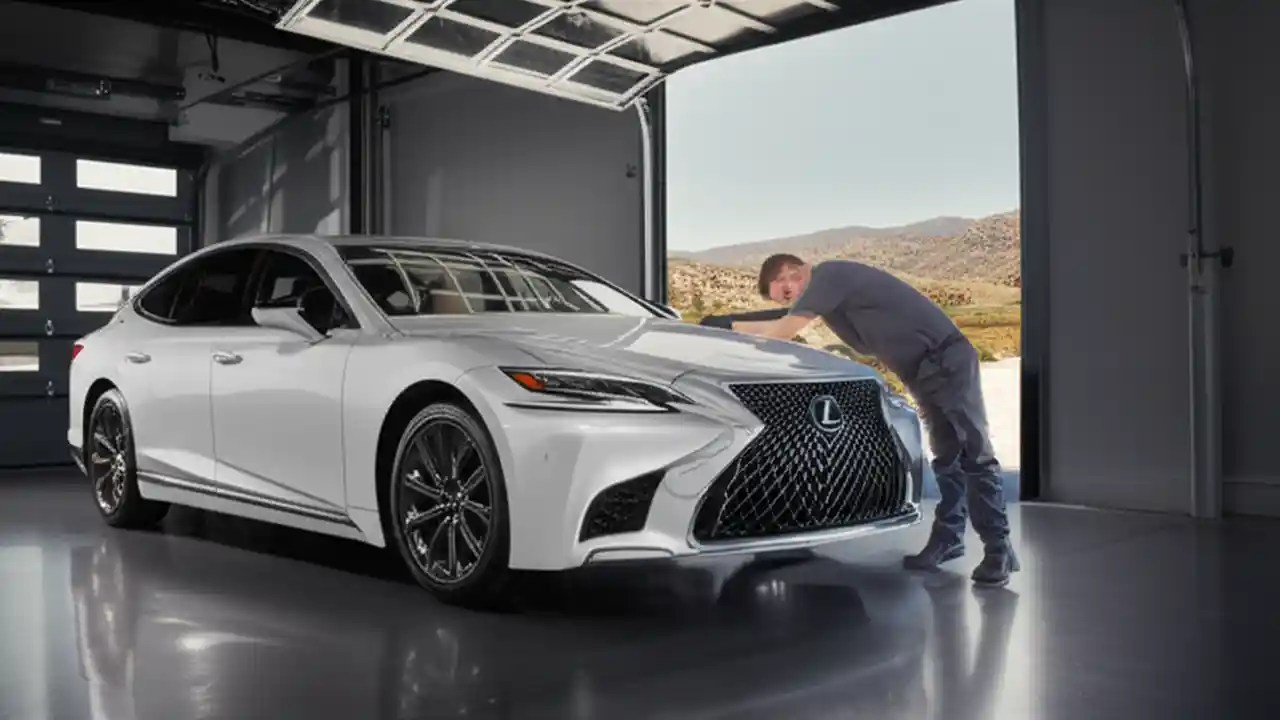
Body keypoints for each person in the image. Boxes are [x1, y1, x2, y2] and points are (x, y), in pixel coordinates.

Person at [730, 253, 1019, 587]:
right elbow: (779, 326)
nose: (789, 295)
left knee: (974, 451)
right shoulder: (832, 304)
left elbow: (782, 332)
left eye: (786, 287)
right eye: (781, 295)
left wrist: (733, 330)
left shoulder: (829, 275)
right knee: (946, 456)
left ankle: (999, 550)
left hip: (945, 358)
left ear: (796, 272)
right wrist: (725, 326)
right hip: (921, 372)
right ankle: (949, 538)